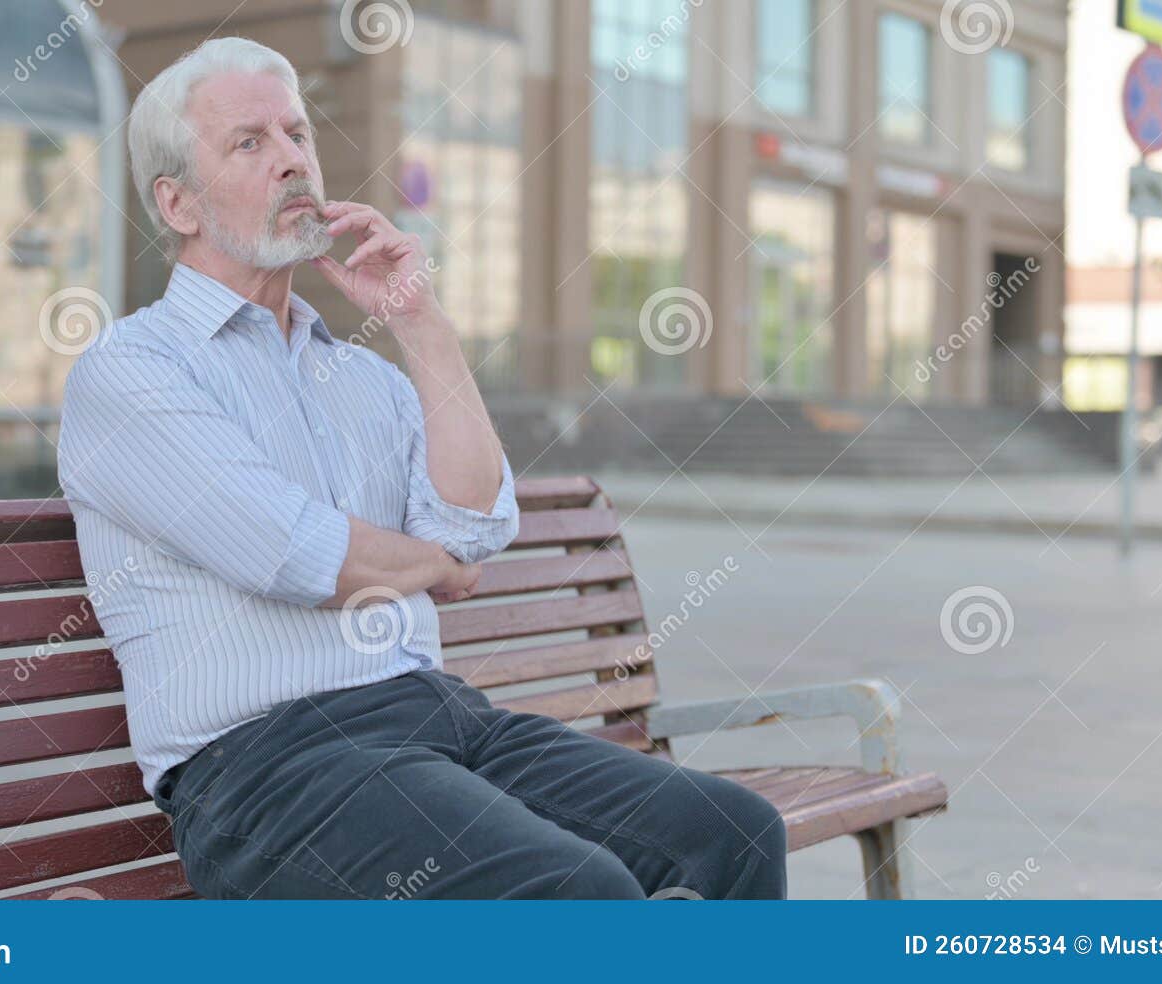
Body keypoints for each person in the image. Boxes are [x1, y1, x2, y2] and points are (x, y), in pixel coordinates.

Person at [56, 37, 786, 900]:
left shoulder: (362, 375)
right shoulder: (131, 371)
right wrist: (435, 567)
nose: (292, 159)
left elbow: (474, 525)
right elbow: (292, 551)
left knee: (732, 836)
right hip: (268, 771)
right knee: (579, 893)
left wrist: (419, 322)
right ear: (176, 202)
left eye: (297, 133)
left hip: (437, 720)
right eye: (249, 142)